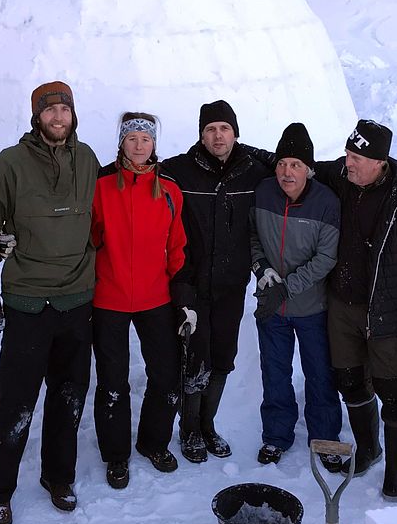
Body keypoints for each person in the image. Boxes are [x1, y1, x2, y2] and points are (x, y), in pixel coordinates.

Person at [0, 80, 101, 524]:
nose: (58, 117)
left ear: (73, 114)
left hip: (77, 299)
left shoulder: (87, 160)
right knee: (16, 401)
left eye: (65, 108)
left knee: (69, 397)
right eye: (50, 110)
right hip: (28, 300)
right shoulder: (8, 164)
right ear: (36, 116)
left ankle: (58, 477)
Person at [315, 119, 397, 501]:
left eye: (355, 158)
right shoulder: (341, 177)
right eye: (347, 154)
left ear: (378, 161)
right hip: (342, 306)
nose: (347, 163)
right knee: (350, 380)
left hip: (386, 313)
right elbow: (298, 163)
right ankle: (369, 450)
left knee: (394, 392)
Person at [160, 99, 273, 463]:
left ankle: (207, 425)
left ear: (236, 133)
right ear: (201, 135)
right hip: (193, 284)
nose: (218, 135)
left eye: (225, 128)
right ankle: (189, 429)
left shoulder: (254, 172)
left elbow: (295, 165)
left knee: (223, 357)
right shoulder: (179, 170)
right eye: (210, 129)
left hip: (231, 285)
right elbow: (134, 170)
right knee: (196, 358)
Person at [91, 112, 188, 489]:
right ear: (121, 143)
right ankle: (116, 455)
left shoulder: (169, 190)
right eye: (132, 138)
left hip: (155, 297)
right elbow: (89, 237)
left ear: (154, 145)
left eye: (145, 139)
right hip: (109, 297)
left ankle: (154, 442)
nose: (139, 145)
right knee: (112, 381)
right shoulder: (101, 186)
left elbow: (177, 245)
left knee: (166, 375)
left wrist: (182, 292)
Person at [248, 123, 343, 472]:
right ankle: (276, 436)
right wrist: (262, 270)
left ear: (309, 170)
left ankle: (326, 439)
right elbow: (253, 238)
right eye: (282, 164)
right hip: (271, 308)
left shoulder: (326, 203)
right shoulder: (263, 193)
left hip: (313, 308)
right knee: (274, 374)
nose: (287, 172)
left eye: (296, 165)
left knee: (320, 376)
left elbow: (326, 258)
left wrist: (287, 287)